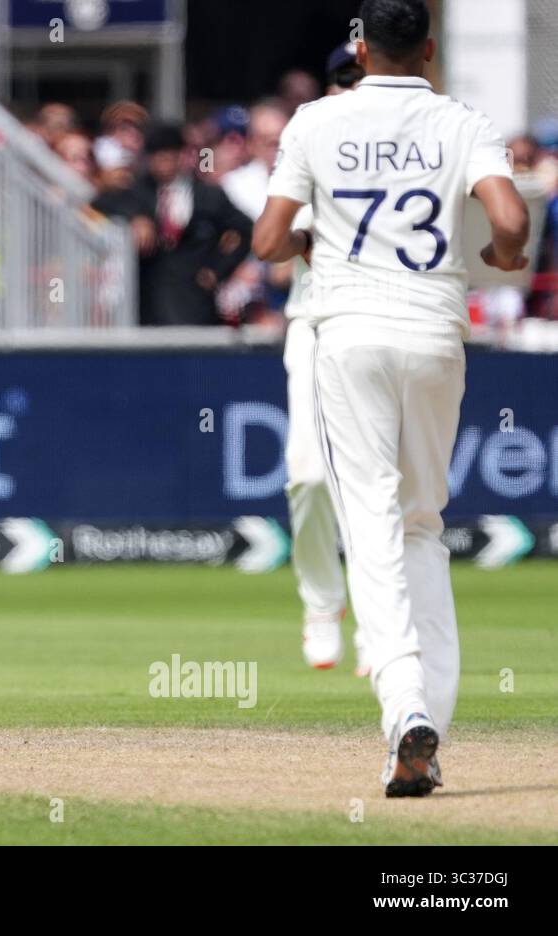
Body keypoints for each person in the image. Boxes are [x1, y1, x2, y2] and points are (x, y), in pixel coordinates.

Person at [253, 0, 529, 797]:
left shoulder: (315, 120)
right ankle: (426, 727)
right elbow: (510, 219)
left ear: (360, 48)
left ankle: (406, 708)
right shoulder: (461, 118)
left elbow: (269, 242)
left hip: (349, 335)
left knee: (369, 523)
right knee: (422, 527)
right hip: (436, 330)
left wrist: (312, 238)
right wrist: (500, 252)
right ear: (430, 49)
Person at [278, 45, 363, 675]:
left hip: (389, 322)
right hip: (314, 323)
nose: (351, 92)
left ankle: (384, 617)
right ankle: (320, 603)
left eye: (360, 80)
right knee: (308, 474)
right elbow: (280, 241)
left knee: (381, 481)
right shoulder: (307, 137)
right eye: (343, 81)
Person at [97, 122, 252, 325]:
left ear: (181, 155)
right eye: (156, 156)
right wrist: (134, 217)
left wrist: (217, 270)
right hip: (148, 304)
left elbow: (245, 228)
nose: (162, 163)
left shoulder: (207, 196)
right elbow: (101, 203)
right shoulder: (137, 193)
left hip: (196, 305)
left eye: (168, 155)